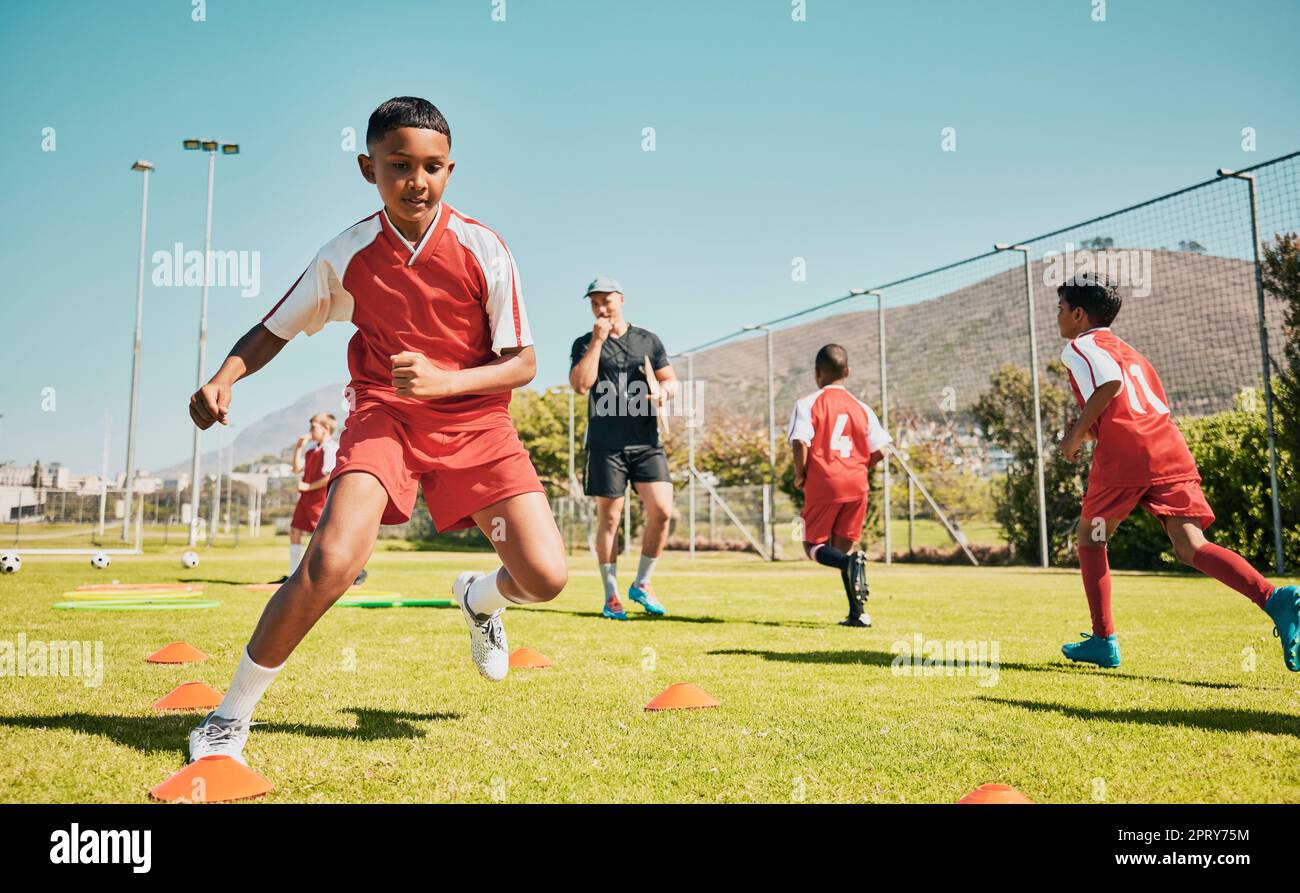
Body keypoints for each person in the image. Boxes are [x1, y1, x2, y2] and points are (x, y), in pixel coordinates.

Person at [184, 96, 567, 765]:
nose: (416, 179)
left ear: (451, 170)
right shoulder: (347, 253)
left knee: (545, 576)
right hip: (384, 418)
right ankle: (227, 717)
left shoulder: (484, 248)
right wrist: (225, 376)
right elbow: (274, 326)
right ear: (369, 169)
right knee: (331, 561)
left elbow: (525, 364)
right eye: (399, 165)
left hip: (476, 423)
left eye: (432, 166)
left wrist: (447, 382)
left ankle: (479, 600)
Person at [1056, 275, 1298, 669]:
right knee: (1190, 546)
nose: (1059, 316)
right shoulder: (1129, 350)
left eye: (1061, 308)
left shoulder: (1080, 345)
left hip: (1128, 453)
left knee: (1090, 536)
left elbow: (1110, 384)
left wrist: (1076, 436)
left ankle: (1103, 639)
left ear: (1079, 314)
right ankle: (1274, 599)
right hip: (1167, 448)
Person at [569, 277, 678, 619]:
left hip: (646, 443)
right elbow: (580, 385)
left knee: (662, 510)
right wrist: (598, 341)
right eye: (595, 303)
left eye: (607, 301)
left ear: (622, 300)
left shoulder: (648, 339)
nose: (601, 308)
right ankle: (611, 595)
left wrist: (666, 392)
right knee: (610, 519)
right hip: (606, 445)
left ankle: (642, 584)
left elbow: (670, 380)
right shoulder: (584, 342)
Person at [788, 344, 891, 627]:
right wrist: (858, 467)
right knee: (844, 551)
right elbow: (882, 450)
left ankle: (850, 566)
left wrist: (800, 474)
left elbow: (800, 440)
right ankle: (858, 614)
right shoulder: (863, 408)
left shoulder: (808, 403)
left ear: (817, 373)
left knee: (812, 544)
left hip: (824, 482)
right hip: (857, 484)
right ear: (847, 372)